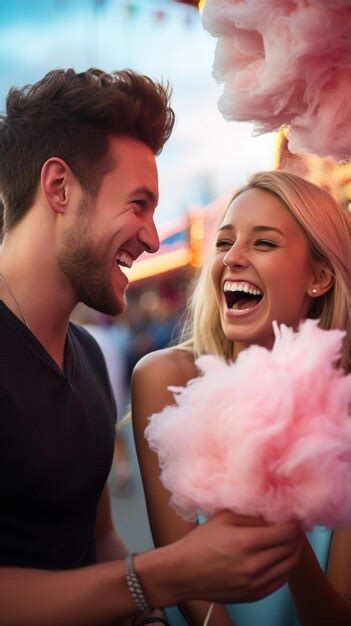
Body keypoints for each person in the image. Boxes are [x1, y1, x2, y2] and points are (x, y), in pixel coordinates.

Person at [0, 69, 303, 626]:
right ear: (60, 188)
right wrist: (167, 575)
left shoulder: (88, 357)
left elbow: (97, 540)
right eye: (138, 204)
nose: (149, 234)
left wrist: (149, 617)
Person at [132, 170, 351, 626]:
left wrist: (286, 529)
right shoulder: (165, 380)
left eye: (264, 243)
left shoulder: (343, 414)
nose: (232, 257)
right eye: (224, 241)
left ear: (320, 277)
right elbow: (188, 587)